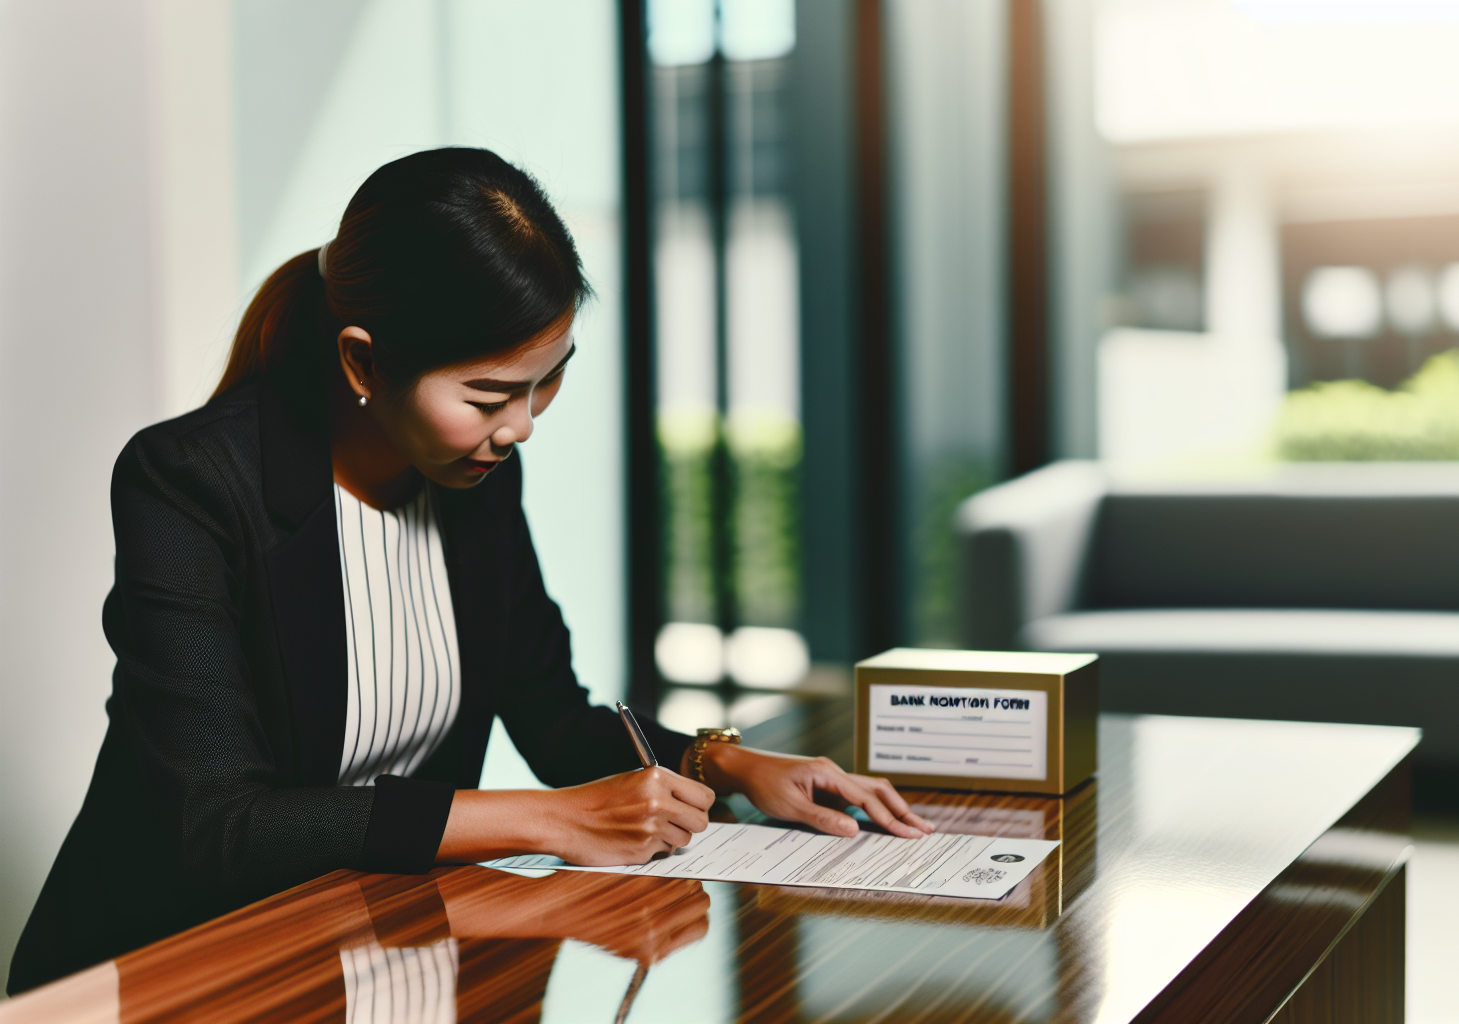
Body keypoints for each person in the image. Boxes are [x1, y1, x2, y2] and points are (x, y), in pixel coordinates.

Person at [7, 148, 931, 996]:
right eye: (489, 395)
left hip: (379, 954)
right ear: (363, 360)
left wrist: (721, 761)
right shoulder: (192, 482)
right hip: (179, 969)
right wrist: (547, 822)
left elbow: (555, 720)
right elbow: (220, 824)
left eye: (548, 381)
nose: (522, 425)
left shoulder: (479, 480)